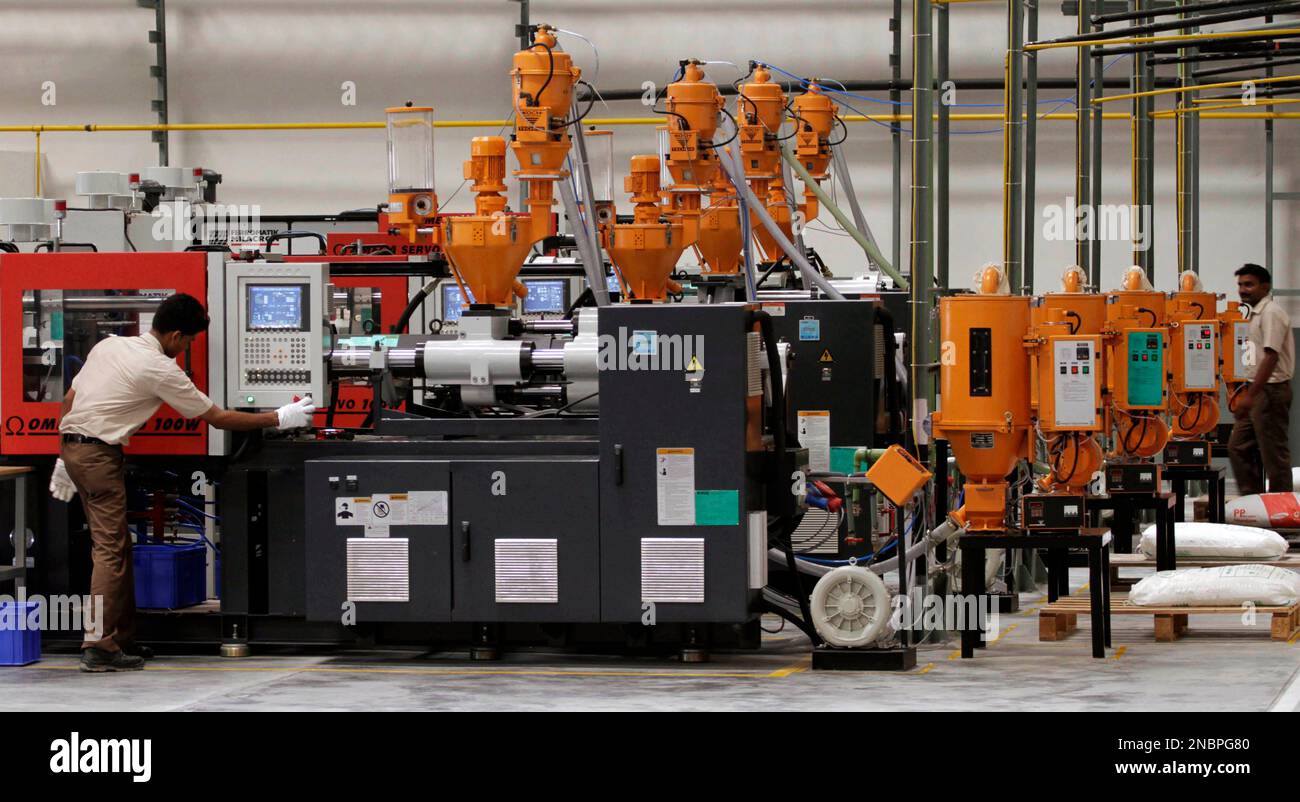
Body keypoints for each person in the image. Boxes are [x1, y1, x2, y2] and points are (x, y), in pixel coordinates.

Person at [47, 293, 316, 672]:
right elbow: (218, 418)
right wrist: (278, 417)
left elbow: (70, 399)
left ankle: (120, 639)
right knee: (109, 550)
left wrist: (64, 454)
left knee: (118, 546)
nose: (187, 348)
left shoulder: (109, 346)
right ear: (175, 335)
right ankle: (97, 643)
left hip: (76, 449)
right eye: (189, 341)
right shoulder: (160, 368)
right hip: (98, 457)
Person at [1227, 264, 1294, 497]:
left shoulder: (1271, 313)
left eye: (1249, 284)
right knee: (1238, 447)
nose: (1243, 290)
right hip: (1256, 391)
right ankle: (1253, 502)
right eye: (1240, 285)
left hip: (1270, 391)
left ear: (1265, 287)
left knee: (1273, 454)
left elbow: (1271, 355)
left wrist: (1251, 395)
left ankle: (1281, 507)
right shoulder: (1256, 314)